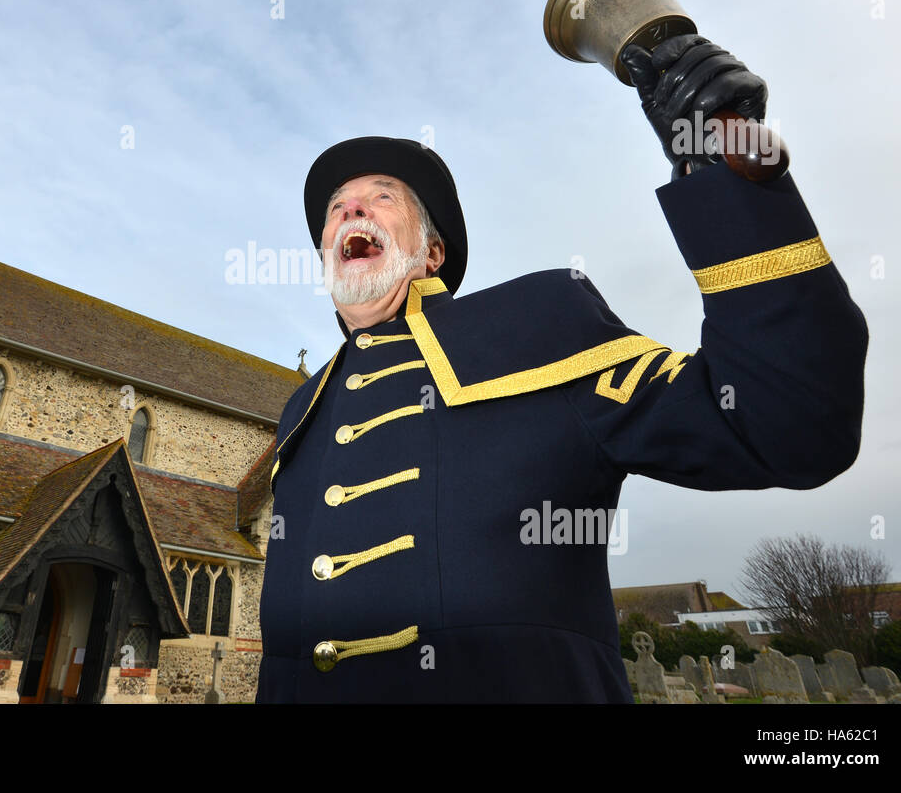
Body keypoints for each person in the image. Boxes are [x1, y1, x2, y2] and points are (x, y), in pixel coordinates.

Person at [254, 35, 869, 702]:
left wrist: (719, 168)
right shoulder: (303, 411)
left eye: (381, 197)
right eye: (337, 206)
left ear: (432, 252)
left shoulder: (537, 323)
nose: (351, 208)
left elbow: (791, 423)